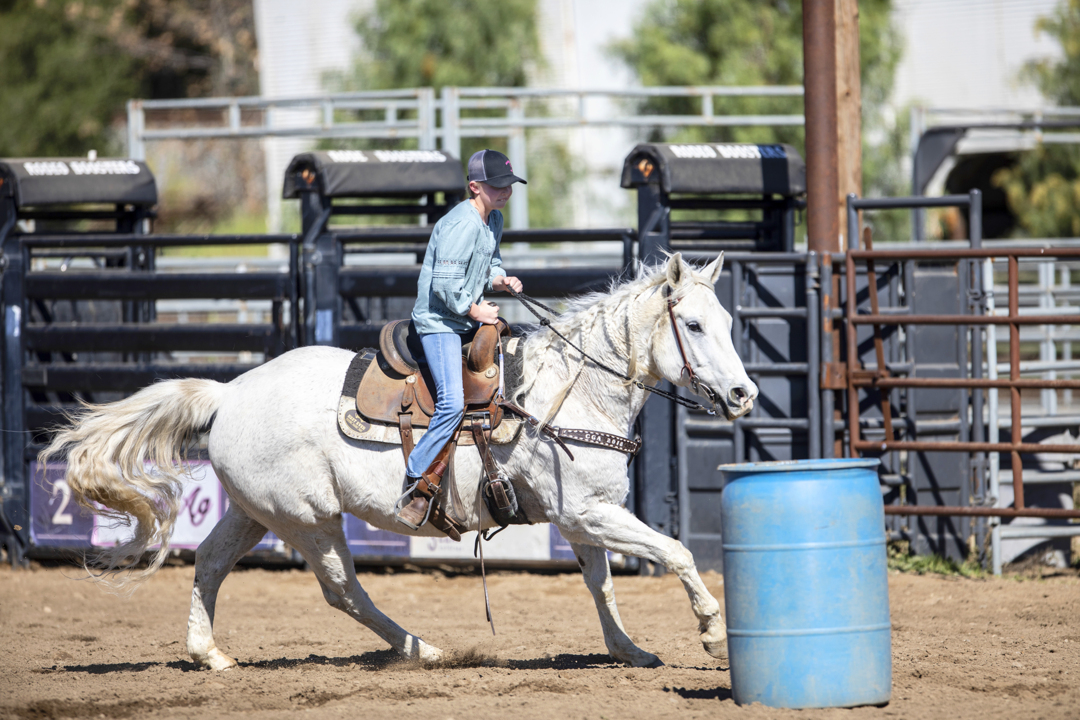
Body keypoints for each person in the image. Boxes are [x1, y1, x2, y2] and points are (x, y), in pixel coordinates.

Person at [396, 148, 525, 531]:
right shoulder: (462, 224)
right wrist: (476, 312)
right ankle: (414, 474)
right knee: (452, 403)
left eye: (509, 185)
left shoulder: (493, 220)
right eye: (497, 186)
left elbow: (489, 263)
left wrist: (501, 279)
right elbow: (445, 286)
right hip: (439, 323)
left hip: (461, 316)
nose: (505, 192)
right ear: (475, 187)